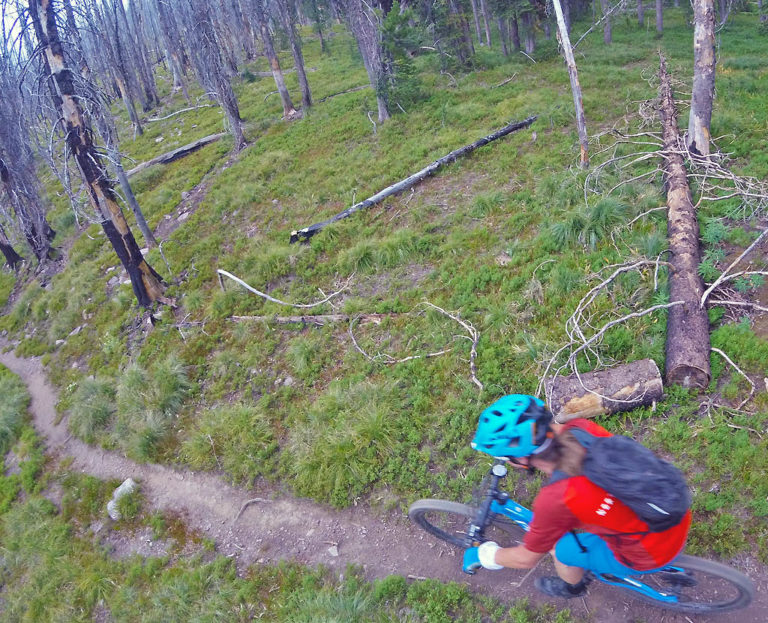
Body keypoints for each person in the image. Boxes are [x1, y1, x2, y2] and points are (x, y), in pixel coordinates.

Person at [462, 394, 691, 599]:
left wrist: (486, 555)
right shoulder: (582, 429)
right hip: (672, 507)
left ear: (521, 460)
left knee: (558, 549)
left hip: (650, 552)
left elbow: (526, 558)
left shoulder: (556, 499)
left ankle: (573, 587)